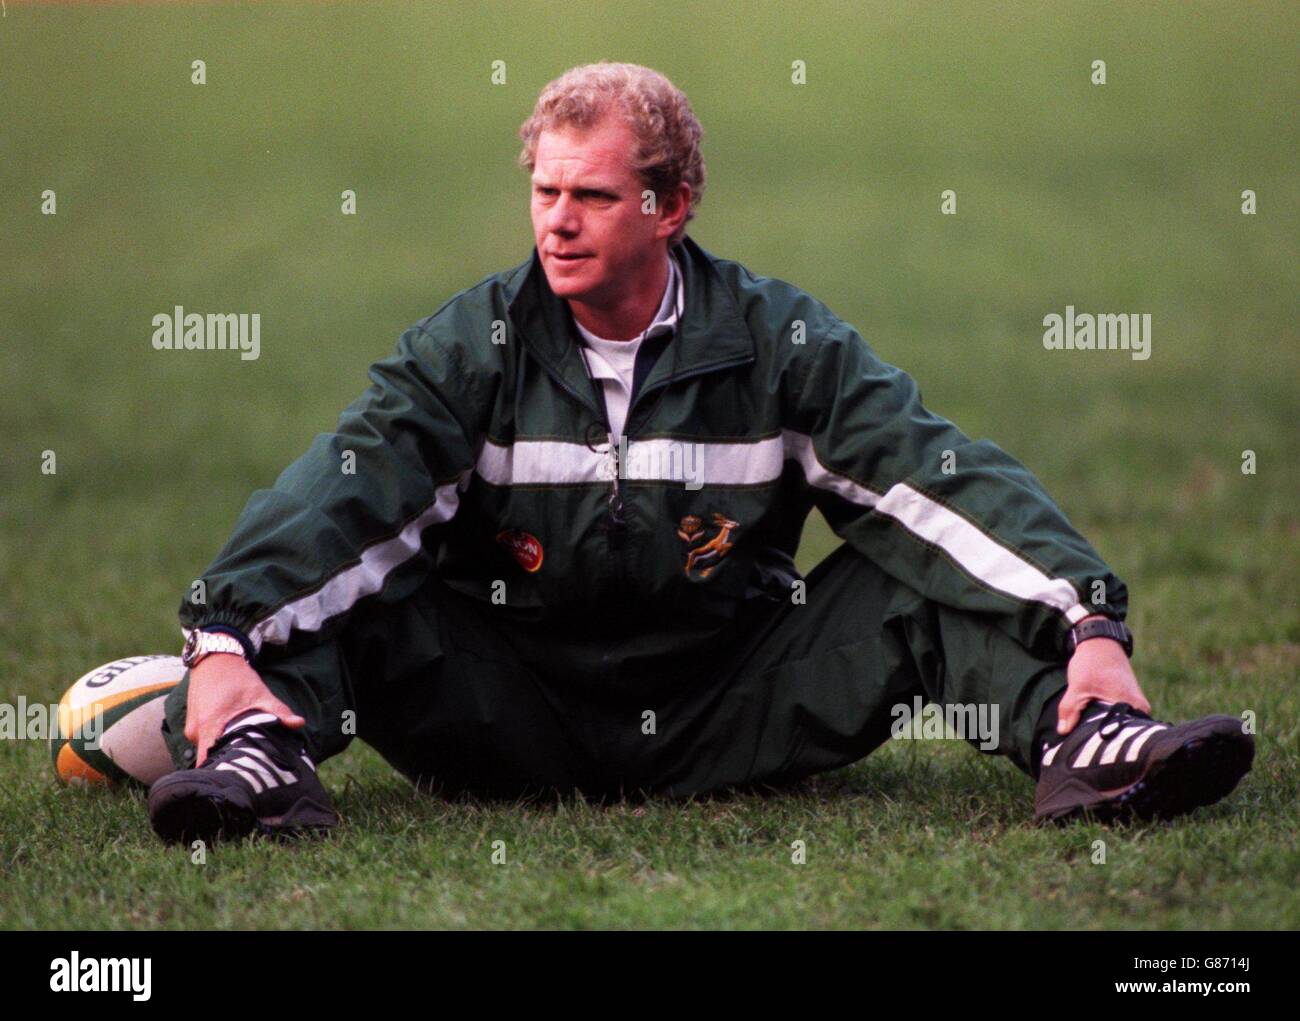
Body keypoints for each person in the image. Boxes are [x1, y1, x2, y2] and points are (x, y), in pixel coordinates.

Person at [146, 62, 1253, 844]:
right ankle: (255, 760)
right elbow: (343, 492)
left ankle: (1095, 745)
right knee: (354, 578)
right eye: (543, 192)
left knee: (908, 574)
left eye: (590, 195)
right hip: (510, 712)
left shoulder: (778, 340)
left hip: (732, 705)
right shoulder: (468, 347)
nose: (556, 223)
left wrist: (1090, 623)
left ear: (670, 204)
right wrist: (222, 632)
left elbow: (936, 477)